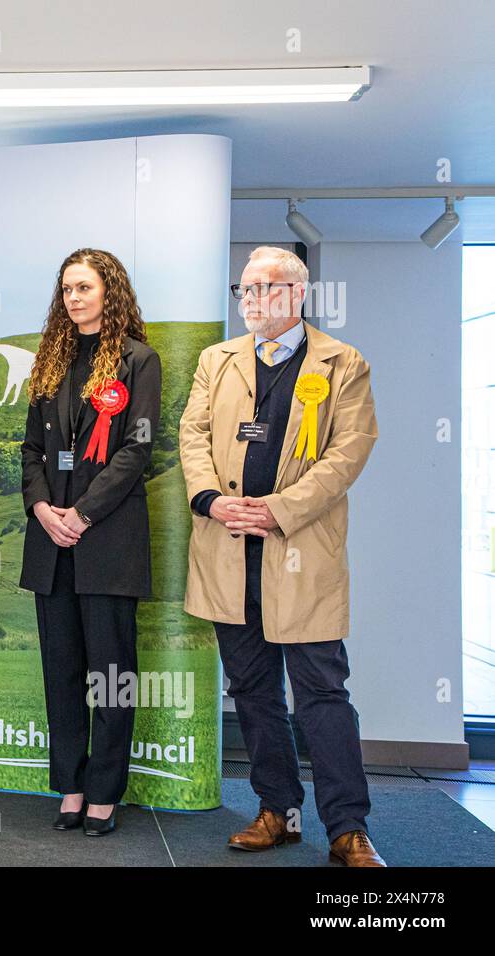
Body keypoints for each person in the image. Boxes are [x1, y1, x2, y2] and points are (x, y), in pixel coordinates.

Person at [179, 245, 385, 866]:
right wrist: (211, 499)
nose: (252, 300)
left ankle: (348, 829)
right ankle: (277, 812)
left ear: (298, 295)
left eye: (266, 288)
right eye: (244, 290)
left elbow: (348, 453)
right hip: (228, 548)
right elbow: (192, 434)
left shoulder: (343, 363)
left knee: (321, 692)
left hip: (299, 553)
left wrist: (279, 510)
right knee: (252, 689)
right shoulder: (216, 361)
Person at [20, 248, 161, 837]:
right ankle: (71, 788)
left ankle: (105, 793)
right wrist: (42, 508)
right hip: (51, 544)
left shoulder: (139, 360)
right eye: (66, 289)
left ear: (111, 291)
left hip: (106, 543)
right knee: (62, 675)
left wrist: (80, 513)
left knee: (109, 677)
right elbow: (30, 451)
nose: (73, 298)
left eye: (84, 287)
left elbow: (138, 451)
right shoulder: (49, 362)